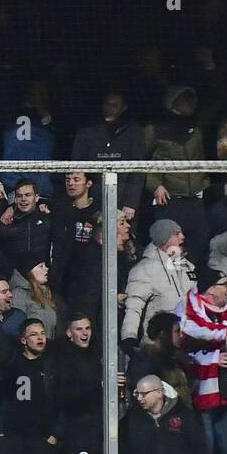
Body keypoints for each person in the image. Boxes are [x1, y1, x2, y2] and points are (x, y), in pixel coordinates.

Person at [176, 266, 227, 454]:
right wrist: (215, 360)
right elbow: (186, 345)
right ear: (210, 289)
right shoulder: (186, 310)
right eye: (224, 284)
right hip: (201, 397)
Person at [144, 85, 210, 263]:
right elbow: (141, 162)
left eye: (190, 100)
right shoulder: (155, 129)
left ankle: (193, 284)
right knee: (170, 248)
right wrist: (155, 185)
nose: (188, 104)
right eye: (183, 99)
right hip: (168, 199)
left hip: (195, 198)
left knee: (200, 243)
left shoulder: (197, 127)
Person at [0, 319, 59, 454]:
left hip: (41, 439)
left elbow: (61, 401)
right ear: (23, 340)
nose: (40, 338)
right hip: (13, 439)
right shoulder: (10, 367)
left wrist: (55, 435)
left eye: (42, 334)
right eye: (34, 334)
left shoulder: (52, 366)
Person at [71, 88, 146, 226]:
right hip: (92, 197)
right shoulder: (88, 130)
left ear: (124, 108)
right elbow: (77, 165)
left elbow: (138, 168)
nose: (109, 109)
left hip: (123, 198)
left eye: (114, 106)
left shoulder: (133, 131)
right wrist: (80, 197)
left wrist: (131, 202)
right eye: (106, 104)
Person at [51, 313, 109, 454]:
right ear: (69, 333)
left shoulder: (96, 354)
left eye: (87, 328)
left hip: (99, 428)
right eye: (79, 329)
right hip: (78, 430)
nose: (85, 333)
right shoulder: (63, 358)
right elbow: (66, 396)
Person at [120, 218, 197, 348]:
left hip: (187, 343)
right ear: (164, 239)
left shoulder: (188, 266)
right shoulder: (145, 269)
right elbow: (133, 307)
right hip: (158, 345)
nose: (182, 237)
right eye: (176, 234)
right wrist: (129, 337)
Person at [126, 374, 209, 454]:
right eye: (137, 394)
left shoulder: (185, 416)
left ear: (159, 393)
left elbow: (200, 450)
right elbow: (124, 448)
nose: (140, 398)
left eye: (144, 394)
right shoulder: (133, 418)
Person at [50, 171, 98, 318]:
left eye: (76, 179)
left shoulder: (99, 212)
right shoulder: (59, 209)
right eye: (67, 180)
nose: (70, 183)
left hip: (89, 280)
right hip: (63, 279)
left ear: (88, 183)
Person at [0, 179, 53, 271]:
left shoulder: (47, 217)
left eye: (28, 195)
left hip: (43, 273)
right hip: (17, 276)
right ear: (15, 199)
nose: (23, 199)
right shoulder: (6, 219)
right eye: (19, 196)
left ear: (36, 197)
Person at [9, 253, 61, 338]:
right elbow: (16, 327)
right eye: (41, 266)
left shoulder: (45, 294)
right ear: (30, 271)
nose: (46, 269)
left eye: (45, 265)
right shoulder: (19, 295)